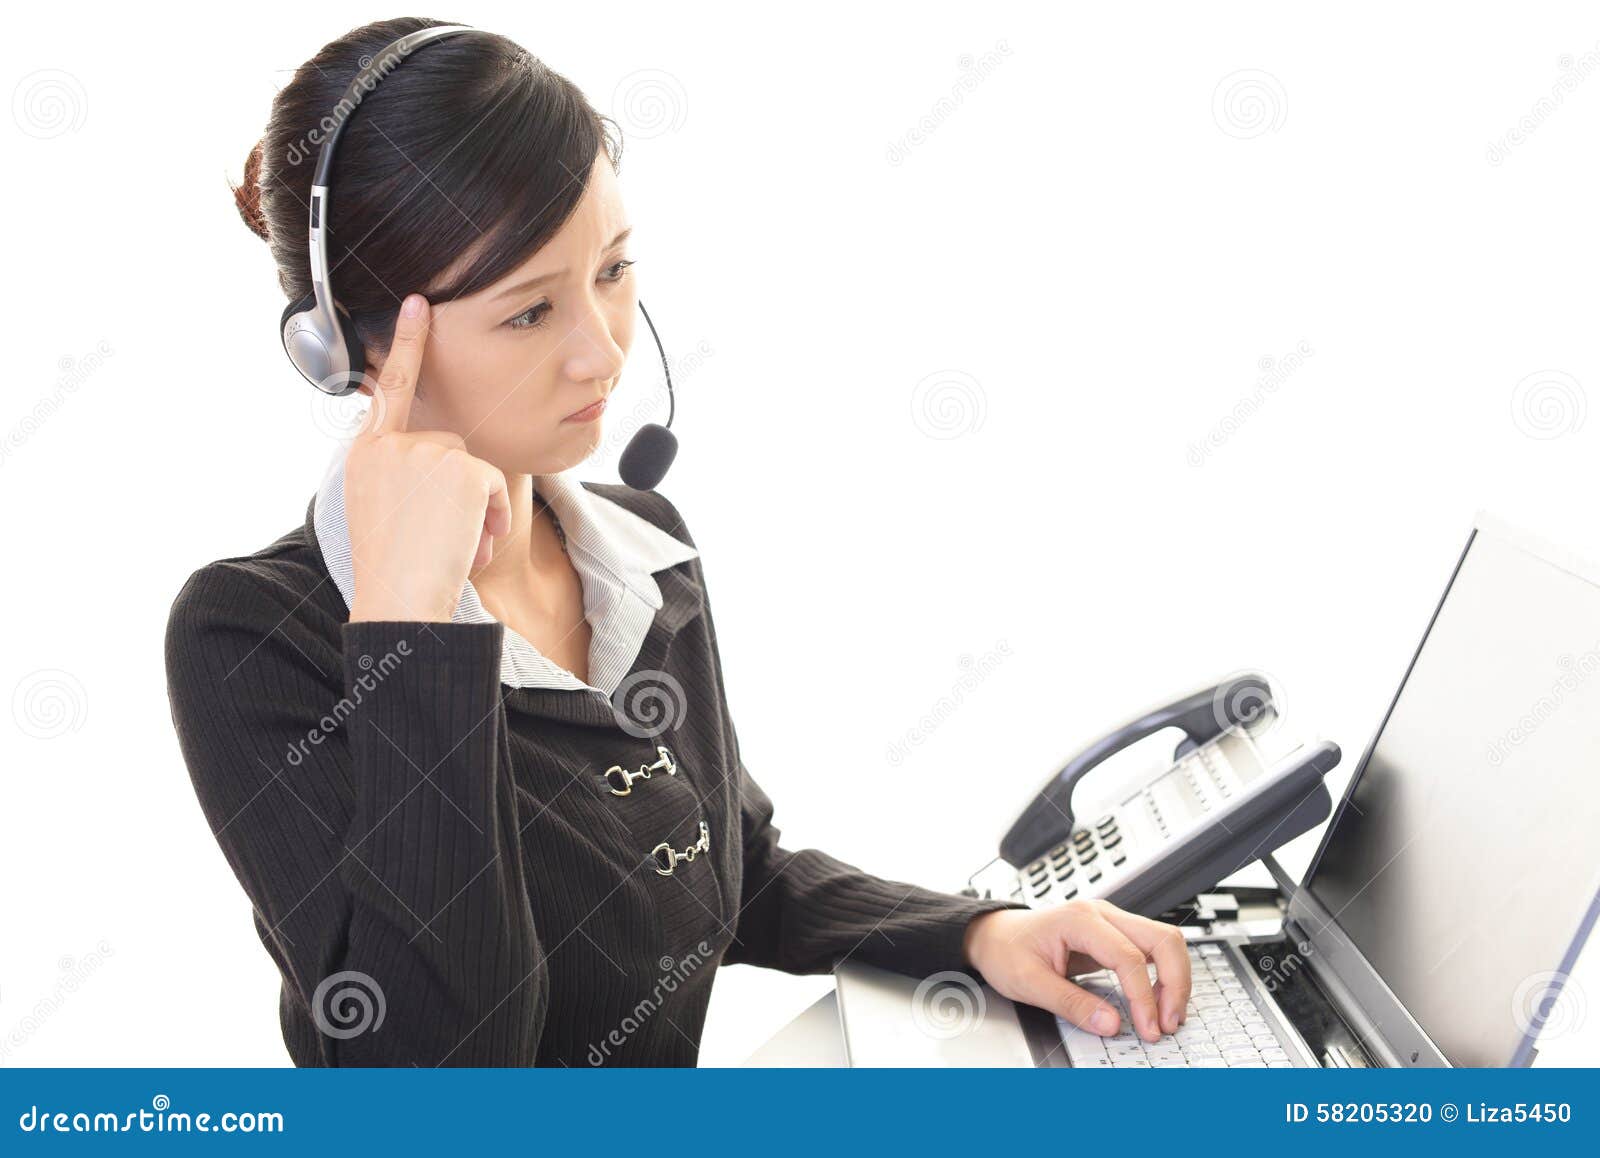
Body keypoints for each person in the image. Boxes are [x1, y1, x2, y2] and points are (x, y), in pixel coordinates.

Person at [163, 14, 1189, 1066]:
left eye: (612, 272)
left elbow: (737, 872)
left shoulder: (642, 549)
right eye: (529, 313)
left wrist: (975, 933)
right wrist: (411, 628)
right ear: (351, 347)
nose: (601, 353)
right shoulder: (252, 637)